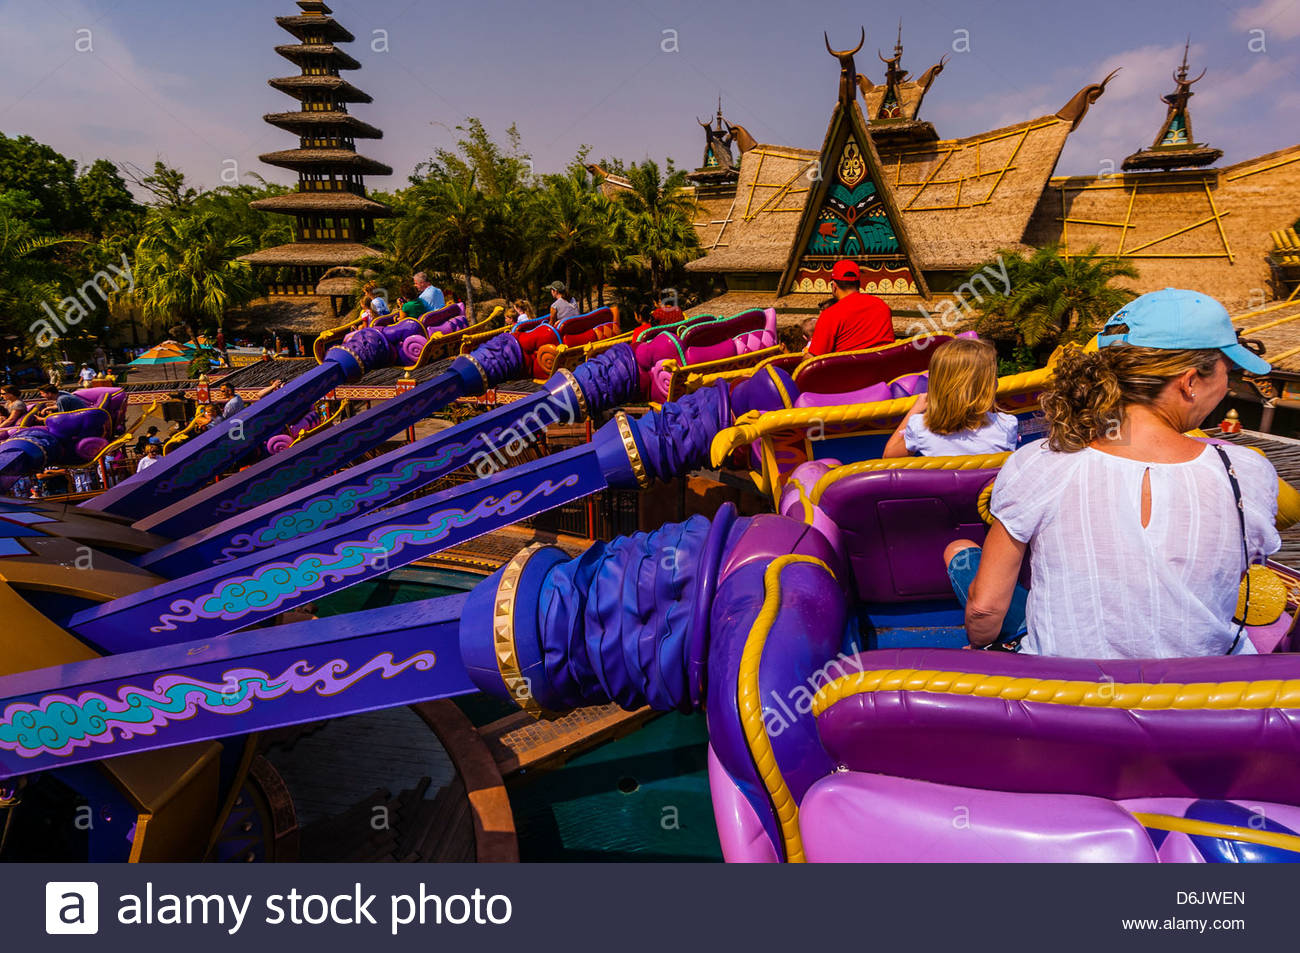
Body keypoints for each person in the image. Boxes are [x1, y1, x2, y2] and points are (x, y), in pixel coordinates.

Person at [944, 288, 1280, 659]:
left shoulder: (1037, 463)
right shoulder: (1247, 472)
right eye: (1227, 371)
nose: (1227, 386)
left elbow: (984, 608)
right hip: (1199, 701)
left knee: (963, 555)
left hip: (1065, 696)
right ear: (1189, 382)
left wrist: (982, 646)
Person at [883, 337, 1018, 458]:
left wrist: (915, 410)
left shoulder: (920, 427)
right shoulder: (1007, 425)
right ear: (988, 387)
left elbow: (889, 456)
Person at [805, 260, 894, 356]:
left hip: (849, 369)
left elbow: (814, 357)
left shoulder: (830, 314)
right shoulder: (882, 306)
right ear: (858, 284)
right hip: (883, 368)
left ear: (834, 286)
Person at [216, 380, 283, 419]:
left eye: (223, 391)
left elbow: (225, 419)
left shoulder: (231, 404)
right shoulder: (237, 397)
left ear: (229, 391)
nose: (221, 393)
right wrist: (273, 386)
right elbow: (260, 394)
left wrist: (274, 386)